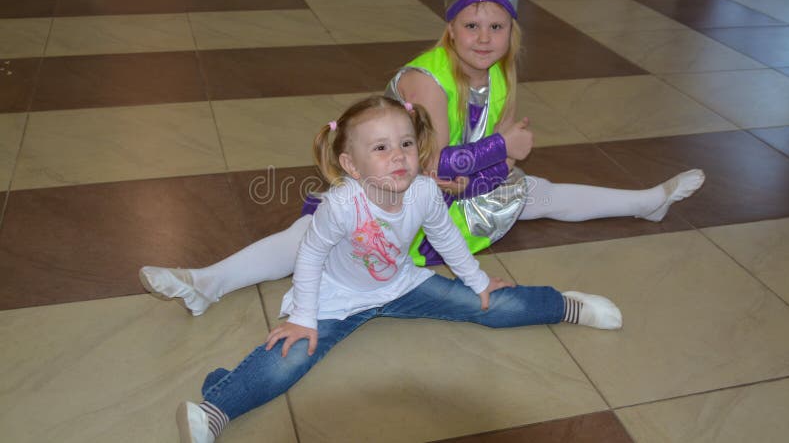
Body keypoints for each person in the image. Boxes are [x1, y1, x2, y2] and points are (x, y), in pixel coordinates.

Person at [139, 0, 704, 315]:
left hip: (454, 189)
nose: (484, 39)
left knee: (541, 194)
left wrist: (500, 155)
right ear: (450, 28)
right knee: (309, 237)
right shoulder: (428, 80)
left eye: (496, 28)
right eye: (471, 27)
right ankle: (207, 282)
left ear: (511, 32)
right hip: (394, 184)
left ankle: (646, 201)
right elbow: (429, 169)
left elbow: (492, 155)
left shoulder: (500, 73)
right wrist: (500, 149)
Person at [176, 95, 622, 443]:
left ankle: (564, 305)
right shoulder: (341, 205)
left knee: (490, 306)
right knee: (291, 355)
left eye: (406, 144)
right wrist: (304, 317)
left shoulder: (424, 191)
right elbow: (308, 257)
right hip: (337, 296)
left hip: (403, 283)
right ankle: (214, 413)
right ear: (351, 165)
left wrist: (478, 281)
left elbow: (446, 238)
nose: (398, 156)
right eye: (381, 148)